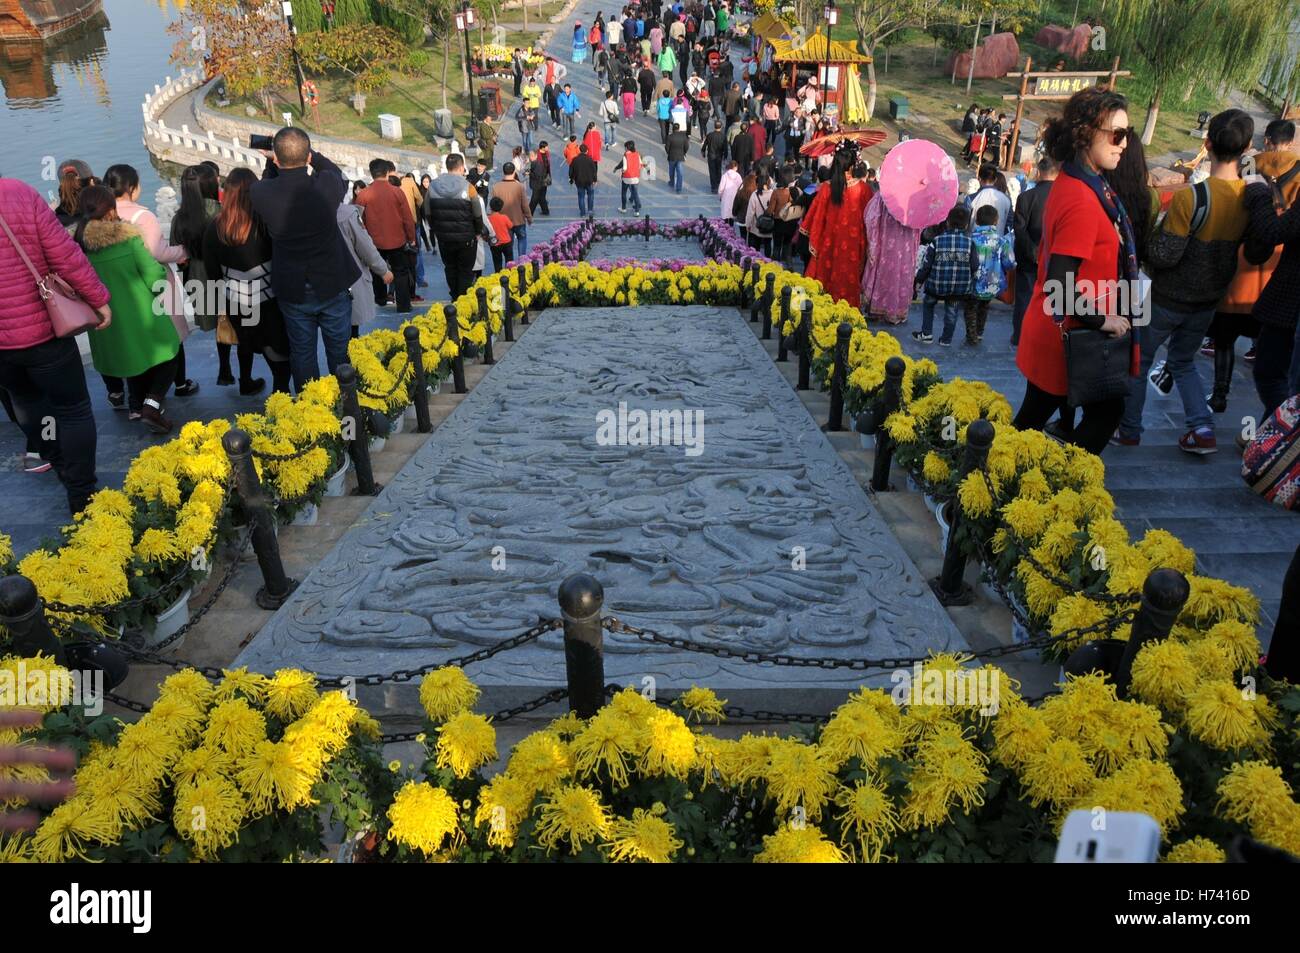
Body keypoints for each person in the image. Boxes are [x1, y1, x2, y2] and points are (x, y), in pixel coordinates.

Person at [1114, 108, 1257, 455]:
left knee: (1141, 358)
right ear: (1248, 147)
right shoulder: (1250, 199)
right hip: (1209, 302)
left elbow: (1165, 255)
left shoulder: (1191, 198)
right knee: (1183, 361)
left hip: (1167, 299)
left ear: (1206, 144)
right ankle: (1201, 427)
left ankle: (1130, 429)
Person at [1013, 87, 1138, 456]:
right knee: (1103, 413)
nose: (1123, 144)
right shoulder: (1084, 198)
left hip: (1057, 331)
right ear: (1086, 134)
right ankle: (1058, 489)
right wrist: (1103, 320)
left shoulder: (1078, 182)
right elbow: (1058, 284)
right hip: (1067, 336)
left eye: (1126, 134)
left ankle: (998, 489)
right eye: (1116, 134)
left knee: (1028, 425)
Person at [0, 174, 107, 507]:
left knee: (30, 407)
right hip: (45, 334)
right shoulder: (17, 193)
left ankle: (61, 466)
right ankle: (81, 492)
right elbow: (64, 254)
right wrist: (98, 299)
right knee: (73, 411)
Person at [250, 127, 360, 391]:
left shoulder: (260, 193)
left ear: (276, 158)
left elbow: (268, 184)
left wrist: (271, 160)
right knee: (340, 352)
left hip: (293, 286)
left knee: (302, 353)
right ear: (308, 154)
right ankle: (346, 404)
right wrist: (311, 155)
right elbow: (334, 171)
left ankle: (311, 409)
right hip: (331, 281)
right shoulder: (327, 186)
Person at [1208, 118, 1300, 413]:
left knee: (1225, 337)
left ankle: (1220, 394)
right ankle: (1271, 435)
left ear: (1267, 139)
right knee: (1276, 358)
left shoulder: (1248, 166)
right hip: (1276, 272)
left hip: (1244, 264)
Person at [73, 185, 178, 434]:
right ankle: (152, 404)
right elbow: (154, 278)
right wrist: (162, 274)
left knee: (132, 363)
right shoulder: (128, 240)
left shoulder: (76, 246)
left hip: (103, 320)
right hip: (142, 313)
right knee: (169, 355)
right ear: (111, 209)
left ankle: (136, 406)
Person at [103, 164, 199, 400]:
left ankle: (142, 394)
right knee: (173, 335)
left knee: (140, 339)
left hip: (123, 286)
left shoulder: (103, 214)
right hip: (154, 283)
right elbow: (158, 252)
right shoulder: (142, 216)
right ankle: (178, 384)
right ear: (131, 188)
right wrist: (184, 251)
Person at [799, 145, 871, 305]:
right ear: (852, 165)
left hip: (827, 242)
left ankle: (815, 314)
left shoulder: (826, 187)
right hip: (852, 245)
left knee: (822, 279)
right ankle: (846, 318)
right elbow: (870, 220)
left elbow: (815, 217)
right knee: (848, 282)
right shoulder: (863, 189)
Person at [423, 153, 490, 299]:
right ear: (461, 167)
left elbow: (427, 212)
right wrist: (478, 231)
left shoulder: (432, 187)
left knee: (450, 268)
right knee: (466, 271)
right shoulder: (468, 187)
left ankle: (454, 295)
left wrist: (436, 229)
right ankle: (463, 299)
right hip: (466, 238)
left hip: (444, 239)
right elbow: (477, 215)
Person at [355, 159, 417, 315]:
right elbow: (407, 218)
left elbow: (358, 220)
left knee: (377, 271)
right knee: (401, 272)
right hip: (397, 240)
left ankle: (381, 299)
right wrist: (411, 237)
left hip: (374, 241)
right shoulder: (397, 192)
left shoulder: (363, 195)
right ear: (387, 172)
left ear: (372, 173)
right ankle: (403, 305)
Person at [861, 182, 923, 327]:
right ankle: (895, 311)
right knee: (901, 276)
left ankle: (877, 310)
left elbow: (871, 218)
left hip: (885, 244)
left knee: (884, 274)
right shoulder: (915, 198)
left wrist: (873, 242)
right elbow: (921, 224)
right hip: (906, 247)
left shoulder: (884, 196)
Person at [1011, 157, 1058, 347]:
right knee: (1051, 301)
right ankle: (1044, 337)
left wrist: (1032, 251)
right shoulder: (1063, 198)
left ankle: (1020, 336)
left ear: (1039, 172)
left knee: (1024, 297)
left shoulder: (1026, 197)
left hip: (1029, 257)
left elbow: (1020, 230)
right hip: (1055, 258)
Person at [965, 204, 1016, 345]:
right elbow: (1010, 263)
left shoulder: (970, 239)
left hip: (972, 282)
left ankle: (971, 335)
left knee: (970, 308)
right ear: (996, 221)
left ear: (976, 221)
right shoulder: (1001, 241)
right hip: (992, 283)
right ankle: (980, 332)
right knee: (984, 307)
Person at [491, 162, 532, 256]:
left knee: (508, 245)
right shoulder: (519, 186)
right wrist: (529, 218)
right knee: (522, 239)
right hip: (519, 220)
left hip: (504, 222)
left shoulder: (496, 187)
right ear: (514, 172)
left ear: (503, 172)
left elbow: (493, 206)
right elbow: (525, 205)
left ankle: (509, 265)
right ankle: (522, 261)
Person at [967, 162, 1012, 236]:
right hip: (998, 243)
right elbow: (1009, 223)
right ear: (995, 179)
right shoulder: (1006, 199)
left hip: (974, 243)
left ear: (979, 179)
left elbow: (965, 222)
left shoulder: (971, 199)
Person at [744, 171, 776, 256]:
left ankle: (756, 261)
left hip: (757, 226)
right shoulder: (773, 193)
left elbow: (750, 213)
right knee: (768, 245)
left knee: (756, 246)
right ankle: (767, 262)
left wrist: (748, 225)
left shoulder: (755, 195)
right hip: (769, 225)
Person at [613, 140, 644, 213]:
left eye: (625, 147)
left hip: (626, 178)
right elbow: (640, 165)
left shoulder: (626, 155)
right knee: (635, 193)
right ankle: (637, 211)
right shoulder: (637, 154)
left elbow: (623, 166)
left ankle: (623, 208)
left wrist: (617, 169)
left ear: (627, 148)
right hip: (635, 178)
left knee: (624, 192)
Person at [486, 196, 514, 272]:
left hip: (495, 243)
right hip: (506, 242)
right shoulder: (504, 217)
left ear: (490, 207)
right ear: (501, 207)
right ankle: (510, 275)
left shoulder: (488, 219)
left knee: (497, 262)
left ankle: (498, 276)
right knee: (509, 261)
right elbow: (511, 226)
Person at [570, 142, 599, 215]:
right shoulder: (590, 159)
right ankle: (590, 210)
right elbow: (594, 171)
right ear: (587, 151)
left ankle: (582, 213)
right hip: (589, 181)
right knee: (590, 195)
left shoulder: (575, 160)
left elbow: (571, 171)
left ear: (579, 150)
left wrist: (572, 178)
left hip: (579, 181)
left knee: (581, 197)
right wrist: (595, 180)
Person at [666, 123, 690, 193]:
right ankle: (679, 188)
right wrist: (684, 153)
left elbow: (667, 147)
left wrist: (669, 153)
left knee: (671, 171)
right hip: (680, 156)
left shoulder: (670, 137)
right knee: (680, 172)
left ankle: (672, 182)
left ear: (673, 129)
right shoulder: (683, 136)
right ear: (679, 128)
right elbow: (687, 146)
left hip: (672, 156)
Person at [703, 121, 727, 192]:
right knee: (718, 170)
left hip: (711, 155)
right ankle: (718, 183)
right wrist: (725, 156)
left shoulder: (710, 135)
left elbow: (705, 144)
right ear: (721, 126)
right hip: (719, 155)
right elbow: (725, 147)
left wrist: (703, 151)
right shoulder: (723, 136)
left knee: (712, 170)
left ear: (714, 126)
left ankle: (713, 187)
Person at [529, 143, 552, 216]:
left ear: (536, 156)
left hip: (538, 184)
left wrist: (529, 173)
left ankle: (529, 213)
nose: (530, 157)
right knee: (542, 198)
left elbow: (537, 175)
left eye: (531, 156)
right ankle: (545, 211)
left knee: (534, 199)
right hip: (543, 182)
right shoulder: (536, 163)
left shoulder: (536, 163)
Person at [718, 159, 743, 227]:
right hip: (735, 199)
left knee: (725, 217)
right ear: (735, 167)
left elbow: (721, 189)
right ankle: (731, 231)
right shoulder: (738, 176)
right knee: (732, 215)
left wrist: (720, 196)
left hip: (725, 198)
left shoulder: (725, 176)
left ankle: (725, 232)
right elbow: (741, 187)